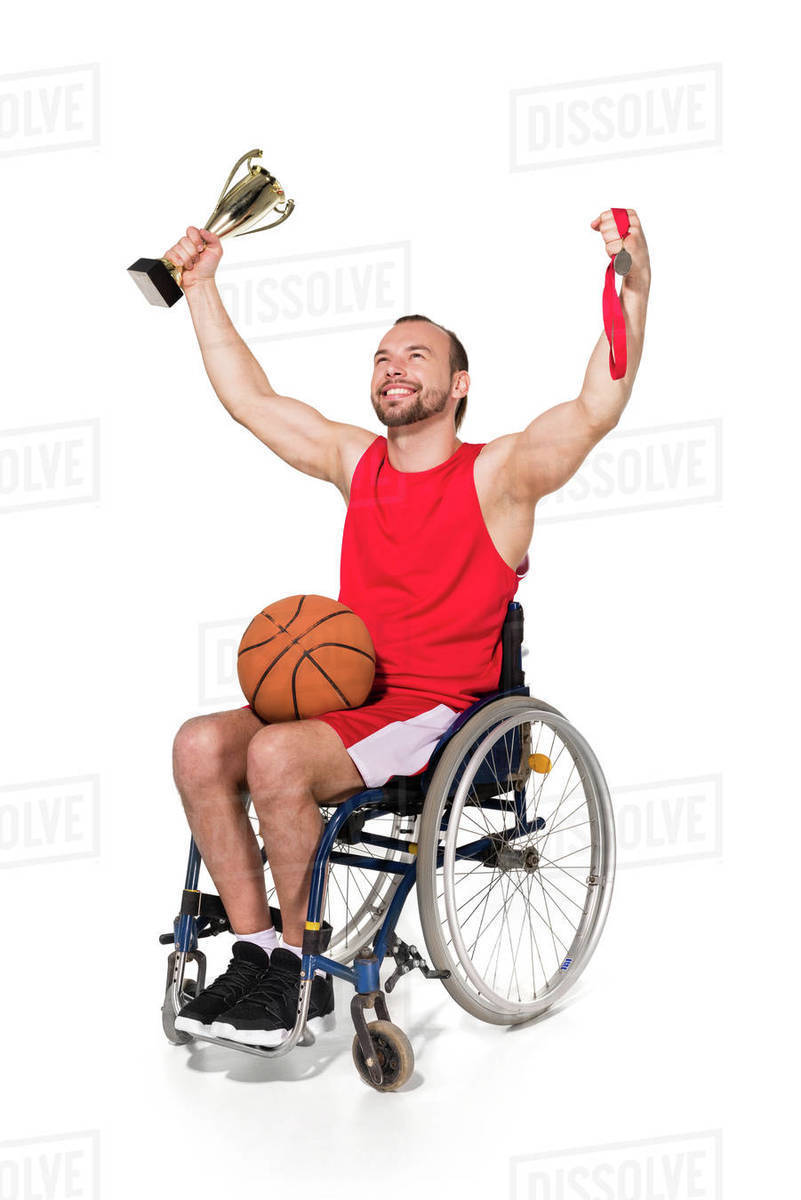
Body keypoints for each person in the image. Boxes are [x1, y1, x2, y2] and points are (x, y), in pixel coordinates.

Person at [169, 210, 651, 1045]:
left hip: (439, 711)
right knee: (200, 744)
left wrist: (632, 283)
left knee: (277, 755)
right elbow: (250, 400)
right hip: (350, 692)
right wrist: (202, 287)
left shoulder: (499, 474)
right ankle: (253, 952)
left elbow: (594, 407)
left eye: (416, 357)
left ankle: (297, 966)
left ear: (458, 385)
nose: (394, 369)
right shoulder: (355, 463)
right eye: (383, 359)